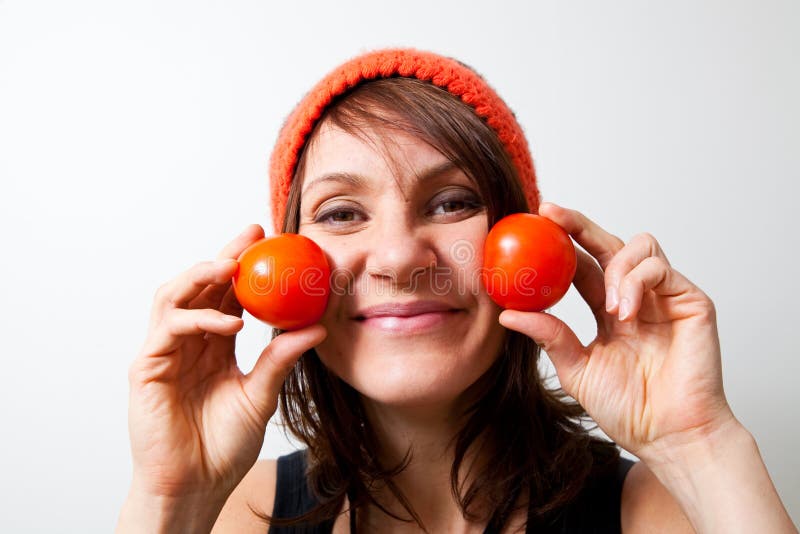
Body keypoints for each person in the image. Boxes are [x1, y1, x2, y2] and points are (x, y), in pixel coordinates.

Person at [116, 49, 796, 533]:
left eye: (451, 202)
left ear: (523, 240)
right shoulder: (241, 516)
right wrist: (172, 498)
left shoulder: (656, 511)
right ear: (281, 268)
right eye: (342, 213)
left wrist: (699, 445)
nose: (399, 259)